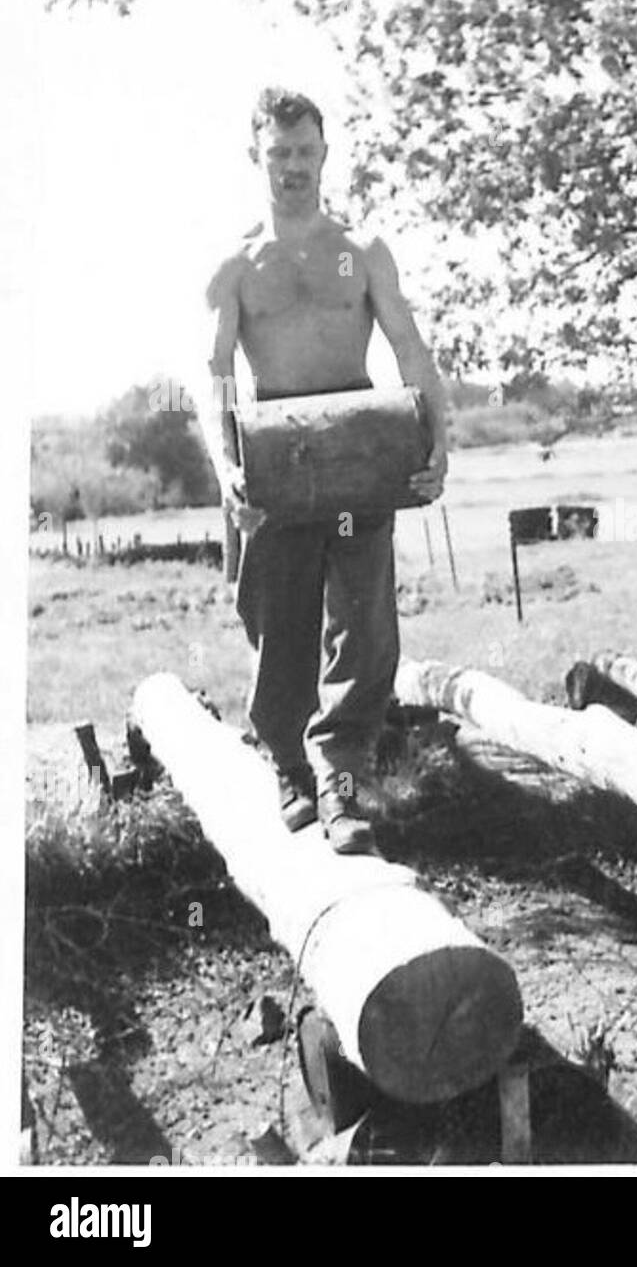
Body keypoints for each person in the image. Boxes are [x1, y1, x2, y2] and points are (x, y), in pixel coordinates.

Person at [196, 88, 448, 853]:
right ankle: (287, 765)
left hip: (358, 444)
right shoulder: (235, 266)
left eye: (305, 151)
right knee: (278, 621)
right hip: (273, 449)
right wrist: (227, 464)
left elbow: (409, 348)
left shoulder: (363, 250)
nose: (294, 167)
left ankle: (339, 773)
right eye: (279, 153)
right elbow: (213, 374)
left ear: (325, 154)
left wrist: (436, 442)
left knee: (367, 627)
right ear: (256, 158)